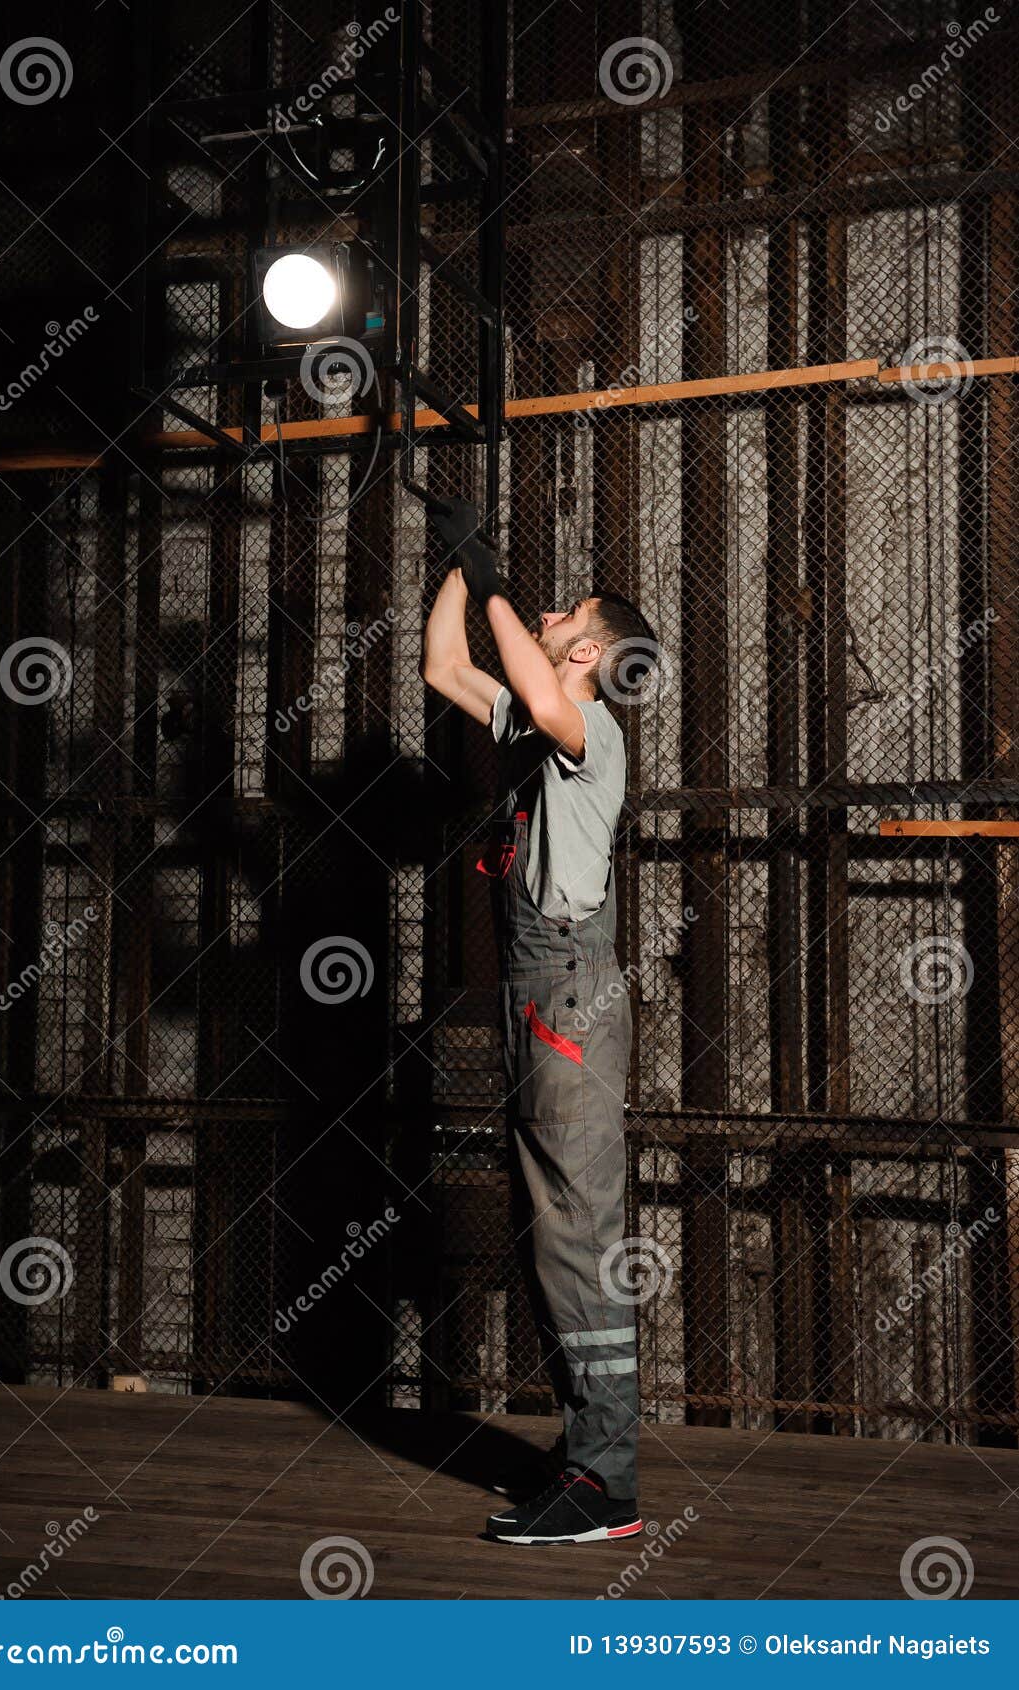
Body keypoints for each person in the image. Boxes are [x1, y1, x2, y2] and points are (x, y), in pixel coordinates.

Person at [420, 497, 659, 1546]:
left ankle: (603, 1482)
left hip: (568, 994)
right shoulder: (537, 720)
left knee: (578, 1239)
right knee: (550, 1239)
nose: (550, 615)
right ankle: (586, 1465)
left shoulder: (589, 727)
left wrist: (498, 572)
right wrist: (460, 571)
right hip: (536, 995)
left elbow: (525, 675)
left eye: (565, 612)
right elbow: (442, 667)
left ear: (591, 650)